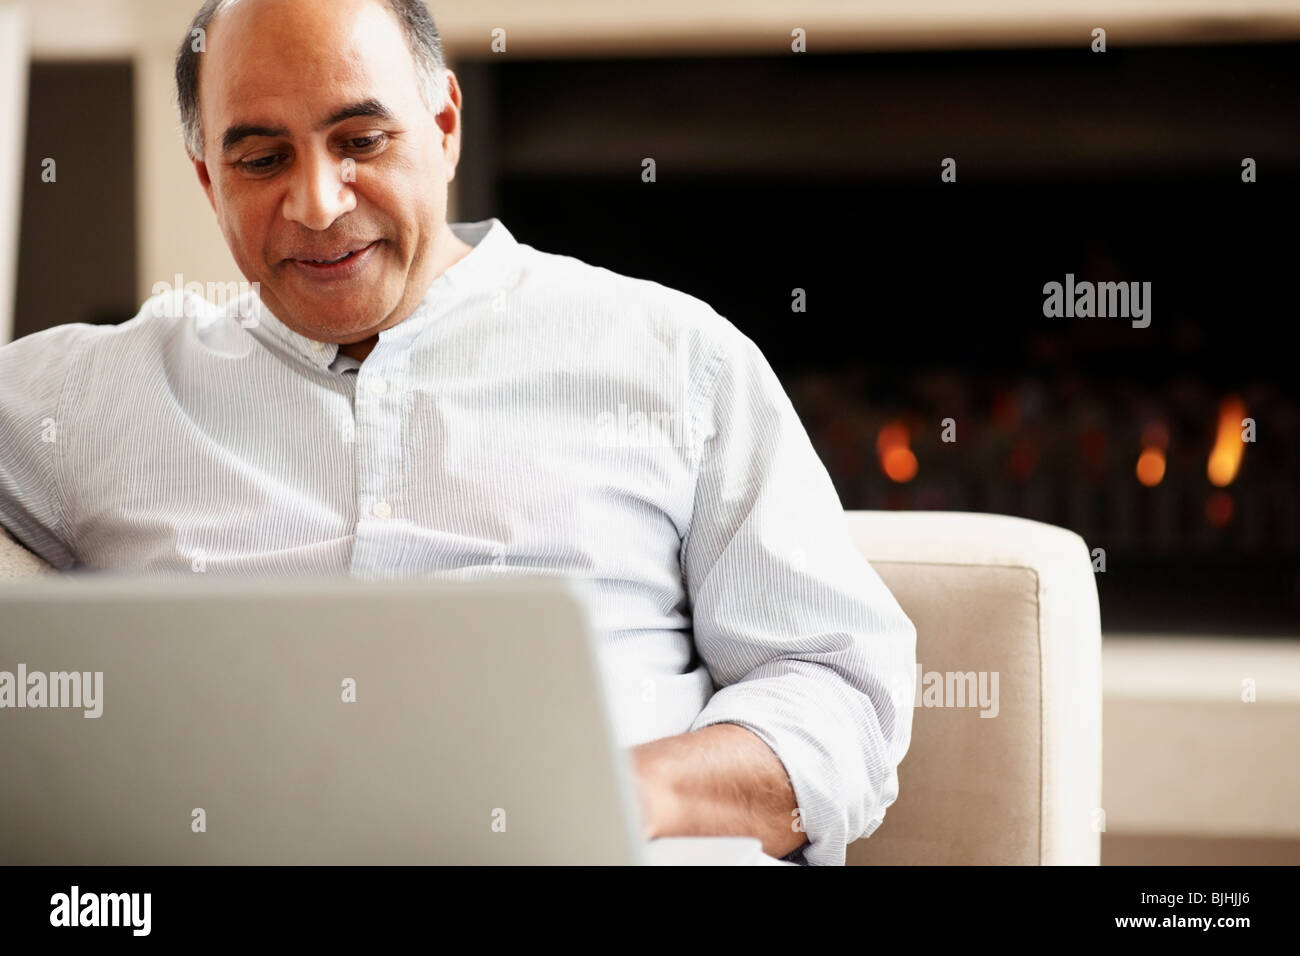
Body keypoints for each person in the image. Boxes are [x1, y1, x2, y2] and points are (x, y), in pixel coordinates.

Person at [0, 0, 916, 865]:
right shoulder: (96, 391)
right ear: (208, 180)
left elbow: (843, 693)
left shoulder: (676, 358)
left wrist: (619, 792)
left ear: (444, 127)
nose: (317, 203)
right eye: (261, 160)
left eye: (361, 140)